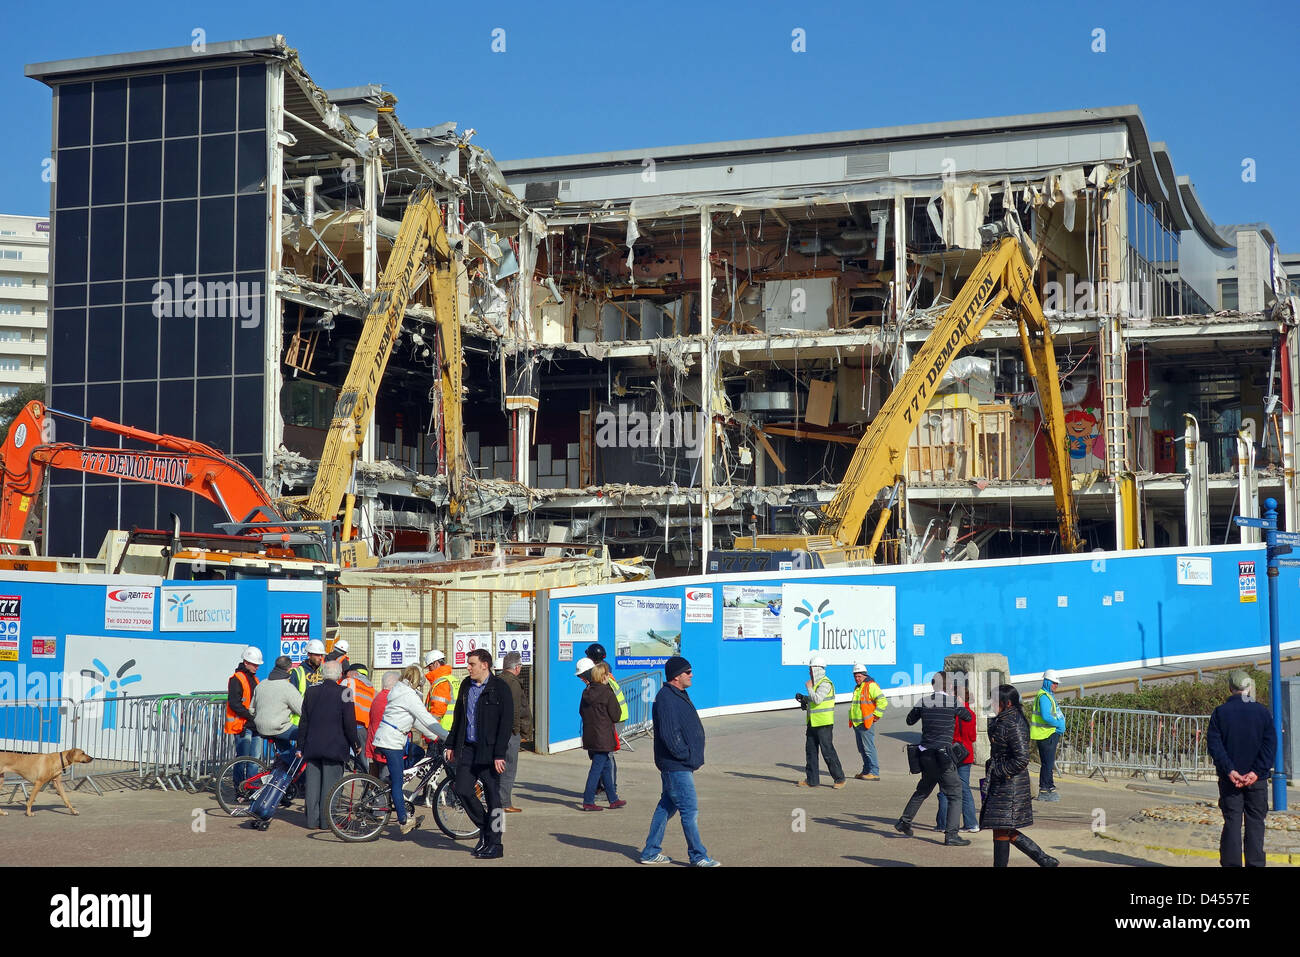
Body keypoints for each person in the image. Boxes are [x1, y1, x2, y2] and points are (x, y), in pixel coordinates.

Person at [639, 656, 718, 866]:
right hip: (676, 766)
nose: (691, 675)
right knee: (689, 811)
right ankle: (698, 856)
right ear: (676, 676)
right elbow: (669, 734)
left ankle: (649, 852)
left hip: (679, 765)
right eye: (688, 672)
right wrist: (686, 755)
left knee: (666, 807)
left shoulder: (678, 694)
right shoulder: (666, 697)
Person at [445, 648, 514, 860]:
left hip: (490, 752)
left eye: (472, 664)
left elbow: (506, 724)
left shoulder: (500, 688)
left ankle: (496, 843)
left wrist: (499, 754)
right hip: (467, 749)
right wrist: (450, 744)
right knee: (463, 789)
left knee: (495, 800)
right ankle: (485, 830)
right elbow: (458, 717)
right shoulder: (466, 685)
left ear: (484, 665)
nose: (468, 668)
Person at [894, 672, 975, 846]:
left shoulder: (924, 701)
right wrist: (957, 703)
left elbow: (910, 720)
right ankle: (951, 835)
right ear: (950, 687)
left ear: (933, 685)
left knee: (923, 790)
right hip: (943, 756)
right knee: (955, 793)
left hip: (925, 755)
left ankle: (905, 821)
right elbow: (967, 717)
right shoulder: (952, 703)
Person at [982, 684, 1058, 867]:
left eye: (994, 701)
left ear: (1007, 703)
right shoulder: (1003, 719)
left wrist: (999, 771)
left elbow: (1022, 758)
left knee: (1002, 829)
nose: (991, 704)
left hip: (1010, 784)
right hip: (1003, 783)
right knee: (1002, 829)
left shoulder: (1013, 722)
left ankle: (1043, 859)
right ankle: (1044, 860)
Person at [1207, 671, 1277, 867]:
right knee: (1255, 823)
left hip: (1230, 779)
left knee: (1232, 822)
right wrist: (1256, 771)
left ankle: (1232, 863)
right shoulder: (1262, 712)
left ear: (1230, 688)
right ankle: (1255, 863)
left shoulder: (1220, 712)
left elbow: (1215, 745)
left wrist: (1229, 770)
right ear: (1248, 688)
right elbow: (1269, 745)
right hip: (1257, 780)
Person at [372, 665, 450, 836]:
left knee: (399, 774)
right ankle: (404, 820)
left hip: (389, 739)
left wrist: (437, 737)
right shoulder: (408, 695)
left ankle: (385, 784)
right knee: (398, 783)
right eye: (421, 682)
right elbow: (426, 717)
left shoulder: (400, 691)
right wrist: (447, 736)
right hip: (391, 741)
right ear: (416, 680)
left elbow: (416, 721)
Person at [297, 659, 360, 831]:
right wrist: (356, 744)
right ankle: (327, 821)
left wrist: (300, 746)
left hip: (312, 746)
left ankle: (311, 821)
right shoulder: (345, 692)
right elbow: (349, 722)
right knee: (331, 786)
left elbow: (304, 721)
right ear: (340, 675)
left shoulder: (311, 692)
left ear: (323, 674)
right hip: (335, 746)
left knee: (313, 786)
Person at [577, 660, 625, 811]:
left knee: (606, 767)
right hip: (603, 736)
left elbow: (581, 712)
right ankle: (588, 801)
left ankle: (613, 798)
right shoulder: (607, 693)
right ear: (603, 677)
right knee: (597, 769)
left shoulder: (586, 693)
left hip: (591, 735)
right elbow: (616, 715)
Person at [936, 677, 979, 833]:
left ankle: (943, 824)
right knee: (964, 788)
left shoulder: (950, 713)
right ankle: (971, 823)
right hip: (966, 755)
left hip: (950, 754)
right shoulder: (971, 714)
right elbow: (973, 737)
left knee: (945, 788)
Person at [796, 656, 845, 789]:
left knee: (827, 751)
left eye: (810, 669)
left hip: (823, 724)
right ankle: (812, 780)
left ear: (817, 669)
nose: (809, 672)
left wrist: (809, 689)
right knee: (810, 752)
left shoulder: (825, 683)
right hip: (812, 722)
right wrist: (805, 699)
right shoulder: (816, 683)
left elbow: (817, 699)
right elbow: (814, 701)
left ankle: (839, 779)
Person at [585, 643, 627, 798]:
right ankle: (604, 789)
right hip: (613, 717)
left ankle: (608, 788)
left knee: (607, 754)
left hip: (615, 718)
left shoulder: (600, 674)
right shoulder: (604, 670)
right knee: (604, 754)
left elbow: (608, 705)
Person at [498, 650, 532, 813]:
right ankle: (504, 802)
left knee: (497, 765)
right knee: (509, 767)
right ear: (517, 667)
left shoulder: (498, 680)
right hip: (510, 733)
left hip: (497, 731)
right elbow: (517, 710)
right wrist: (519, 732)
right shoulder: (514, 683)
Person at [224, 646, 262, 787]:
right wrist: (250, 716)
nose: (257, 667)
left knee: (254, 760)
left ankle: (252, 787)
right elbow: (234, 703)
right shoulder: (236, 679)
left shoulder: (255, 679)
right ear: (246, 662)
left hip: (253, 726)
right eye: (254, 664)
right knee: (242, 760)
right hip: (242, 726)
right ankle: (239, 787)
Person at [252, 655, 303, 757]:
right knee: (306, 735)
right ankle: (297, 765)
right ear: (289, 669)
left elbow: (251, 709)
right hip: (279, 728)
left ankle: (284, 766)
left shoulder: (261, 684)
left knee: (286, 752)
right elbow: (302, 709)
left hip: (261, 727)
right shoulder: (287, 687)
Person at [1030, 668, 1066, 801]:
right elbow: (1046, 716)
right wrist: (1058, 724)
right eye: (1054, 683)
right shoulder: (1044, 696)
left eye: (1057, 683)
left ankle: (1049, 787)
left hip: (1049, 733)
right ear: (1047, 682)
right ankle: (1045, 789)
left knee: (1048, 763)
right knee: (1047, 763)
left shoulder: (1047, 695)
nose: (1056, 685)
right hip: (1046, 734)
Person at [848, 664, 888, 780]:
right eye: (855, 676)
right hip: (857, 723)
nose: (857, 678)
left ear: (864, 675)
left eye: (859, 676)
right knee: (862, 749)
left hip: (866, 723)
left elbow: (882, 701)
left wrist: (876, 716)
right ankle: (866, 771)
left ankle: (874, 772)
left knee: (868, 748)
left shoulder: (871, 686)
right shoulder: (858, 687)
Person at [341, 664, 375, 770]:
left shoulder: (349, 682)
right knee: (364, 763)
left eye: (347, 672)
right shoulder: (371, 688)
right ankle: (369, 784)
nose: (345, 675)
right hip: (364, 730)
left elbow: (340, 702)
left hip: (347, 726)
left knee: (340, 760)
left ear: (354, 673)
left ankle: (339, 785)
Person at [423, 648, 459, 732]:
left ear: (436, 663)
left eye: (430, 666)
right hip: (454, 727)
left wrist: (431, 731)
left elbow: (437, 710)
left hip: (442, 729)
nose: (429, 669)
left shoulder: (441, 683)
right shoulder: (453, 679)